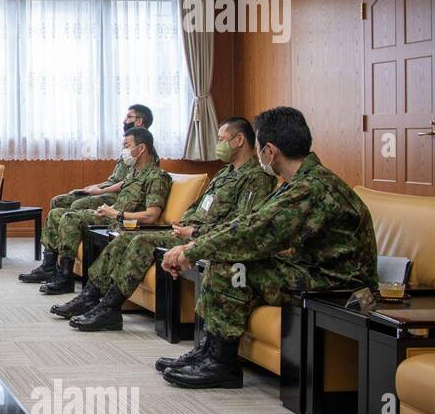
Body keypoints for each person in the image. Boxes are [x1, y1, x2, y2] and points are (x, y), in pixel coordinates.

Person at [160, 106, 377, 389]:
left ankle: (221, 363)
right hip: (312, 270)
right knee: (226, 259)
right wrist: (195, 245)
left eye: (259, 145)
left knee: (231, 266)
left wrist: (190, 251)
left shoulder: (311, 188)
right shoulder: (298, 183)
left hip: (337, 282)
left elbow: (252, 233)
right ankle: (207, 352)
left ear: (270, 151)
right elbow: (251, 222)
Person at [55, 117, 275, 340]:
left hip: (207, 238)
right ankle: (92, 295)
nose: (218, 144)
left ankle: (110, 307)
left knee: (141, 241)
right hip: (187, 231)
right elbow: (197, 207)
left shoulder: (255, 178)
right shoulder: (224, 173)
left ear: (239, 140)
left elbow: (242, 223)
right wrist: (185, 223)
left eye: (221, 139)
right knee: (124, 238)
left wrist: (195, 233)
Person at [19, 104, 154, 283]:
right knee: (58, 202)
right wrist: (93, 187)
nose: (124, 120)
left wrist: (100, 191)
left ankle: (67, 261)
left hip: (118, 197)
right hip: (109, 189)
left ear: (139, 120)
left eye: (129, 117)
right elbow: (115, 178)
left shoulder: (143, 147)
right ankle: (51, 263)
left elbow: (131, 181)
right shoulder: (128, 144)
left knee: (76, 206)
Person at [37, 127, 170, 296]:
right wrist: (102, 196)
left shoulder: (157, 177)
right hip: (112, 215)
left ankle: (65, 279)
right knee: (56, 213)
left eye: (127, 145)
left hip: (124, 222)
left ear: (141, 148)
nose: (124, 151)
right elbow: (122, 186)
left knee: (70, 217)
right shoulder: (135, 172)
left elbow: (151, 216)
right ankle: (51, 268)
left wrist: (115, 214)